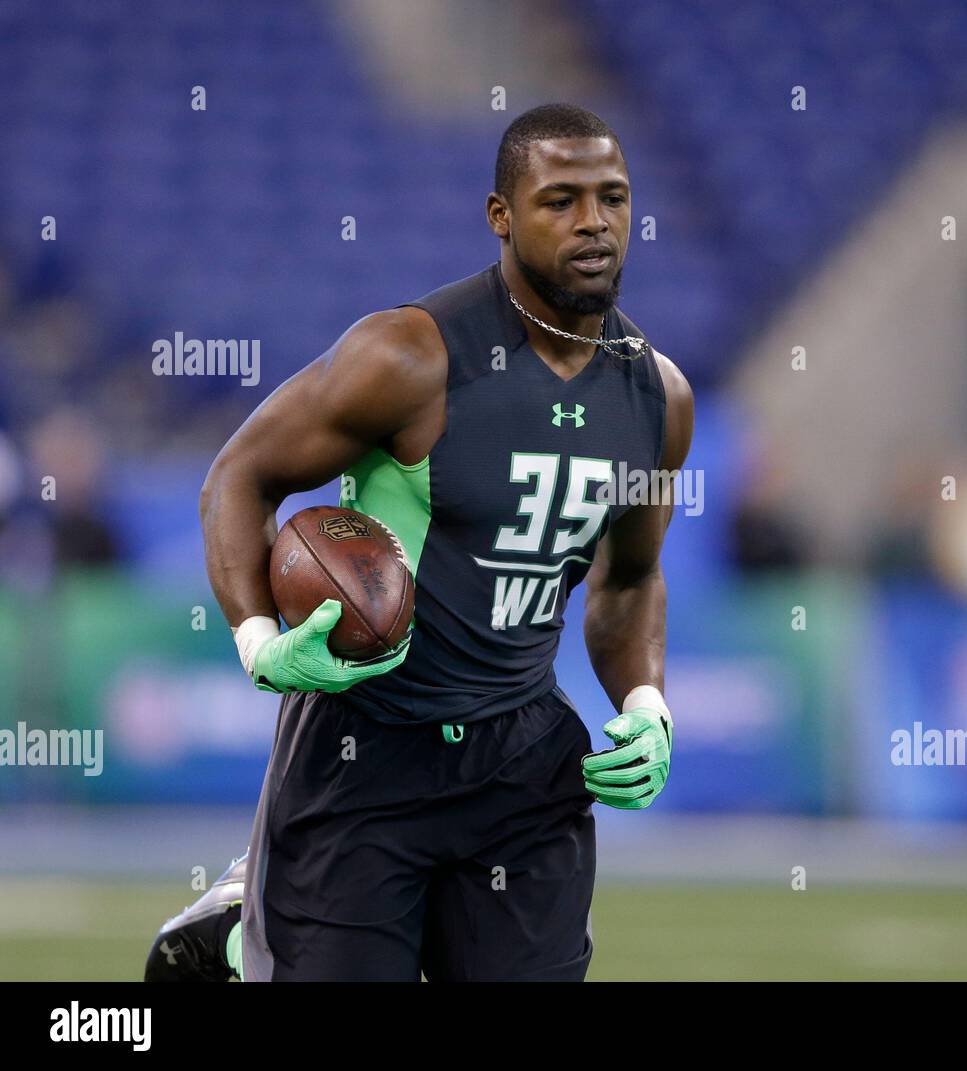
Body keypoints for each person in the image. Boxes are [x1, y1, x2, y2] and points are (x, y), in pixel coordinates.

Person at [144, 103, 694, 982]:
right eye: (561, 200)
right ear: (501, 217)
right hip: (364, 754)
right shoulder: (408, 355)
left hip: (521, 766)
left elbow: (629, 580)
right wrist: (257, 642)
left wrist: (646, 703)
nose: (594, 221)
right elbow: (239, 475)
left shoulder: (658, 398)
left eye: (613, 197)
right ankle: (241, 930)